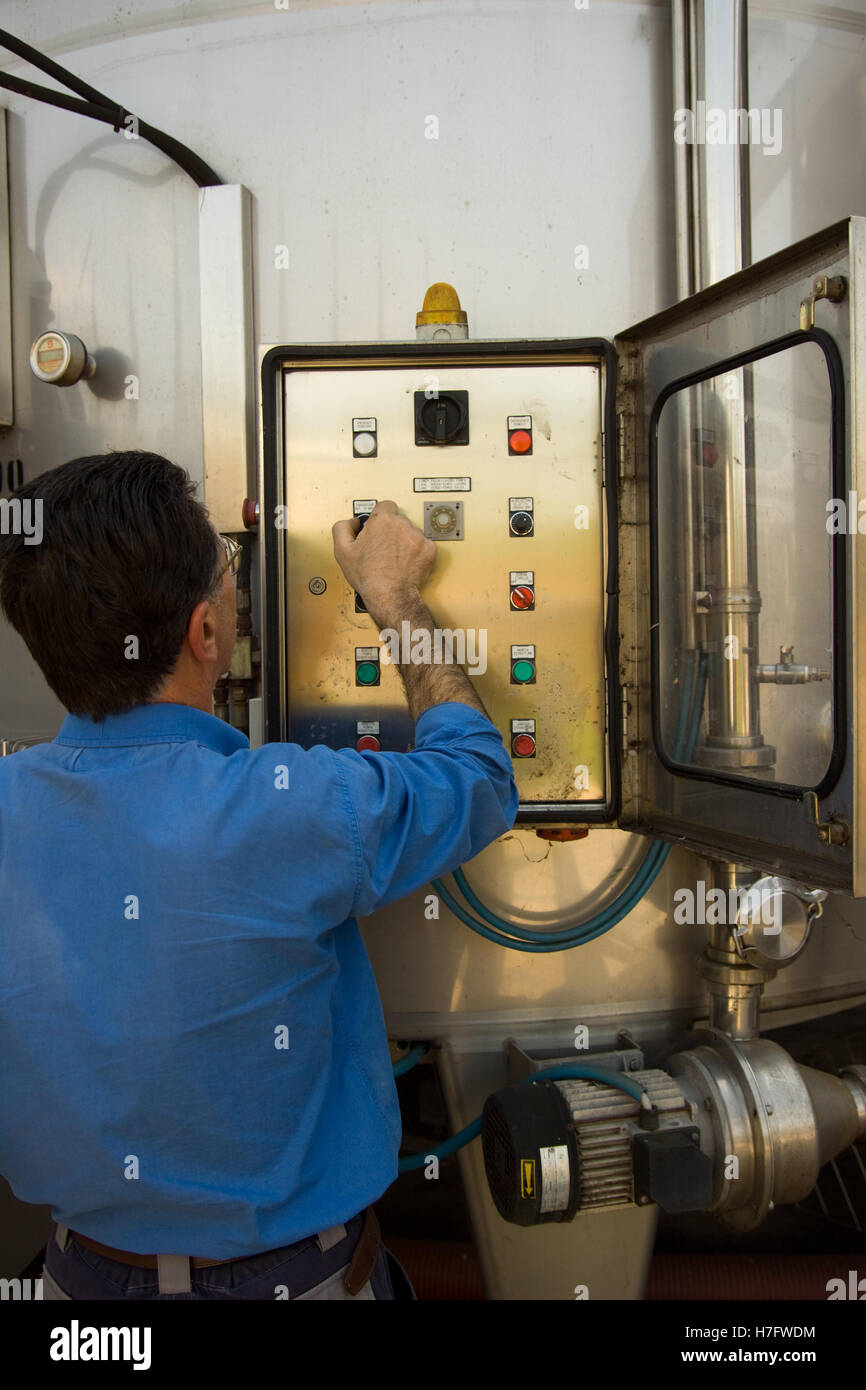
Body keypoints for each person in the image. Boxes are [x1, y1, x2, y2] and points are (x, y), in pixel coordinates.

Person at [0, 451, 518, 1300]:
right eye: (231, 569)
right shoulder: (291, 807)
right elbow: (479, 779)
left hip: (79, 1283)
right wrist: (394, 599)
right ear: (206, 634)